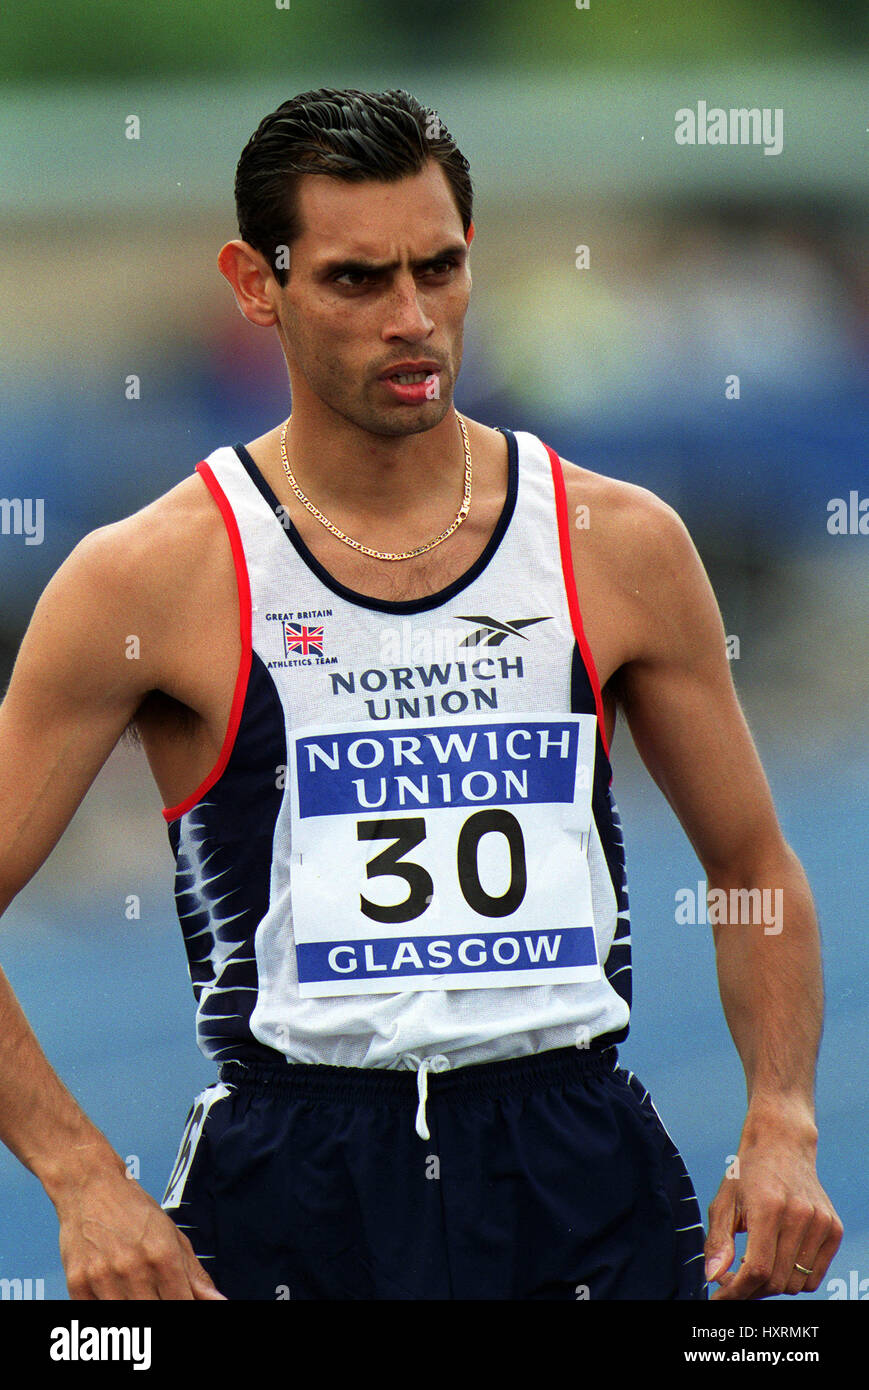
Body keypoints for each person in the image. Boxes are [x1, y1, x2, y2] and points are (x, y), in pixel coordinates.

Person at [0, 87, 841, 1301]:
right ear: (254, 283)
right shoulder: (153, 575)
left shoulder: (616, 542)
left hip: (576, 1165)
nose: (413, 319)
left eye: (438, 268)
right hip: (297, 1179)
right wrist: (84, 1177)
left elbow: (752, 862)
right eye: (355, 281)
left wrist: (779, 1119)